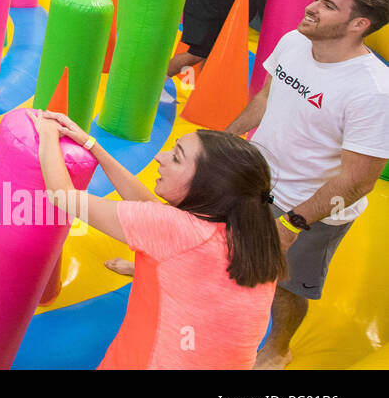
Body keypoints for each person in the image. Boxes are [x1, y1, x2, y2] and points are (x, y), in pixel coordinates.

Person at [32, 110, 287, 369]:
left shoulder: (175, 230)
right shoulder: (251, 232)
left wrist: (48, 133)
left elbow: (62, 196)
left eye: (176, 158)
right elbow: (151, 208)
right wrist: (92, 146)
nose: (159, 157)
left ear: (207, 187)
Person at [224, 0, 389, 370]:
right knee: (224, 243)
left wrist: (293, 223)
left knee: (287, 285)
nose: (311, 7)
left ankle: (278, 347)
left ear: (358, 25)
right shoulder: (294, 42)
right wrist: (224, 144)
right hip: (257, 179)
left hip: (312, 209)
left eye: (328, 6)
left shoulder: (373, 92)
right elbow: (265, 97)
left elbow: (357, 181)